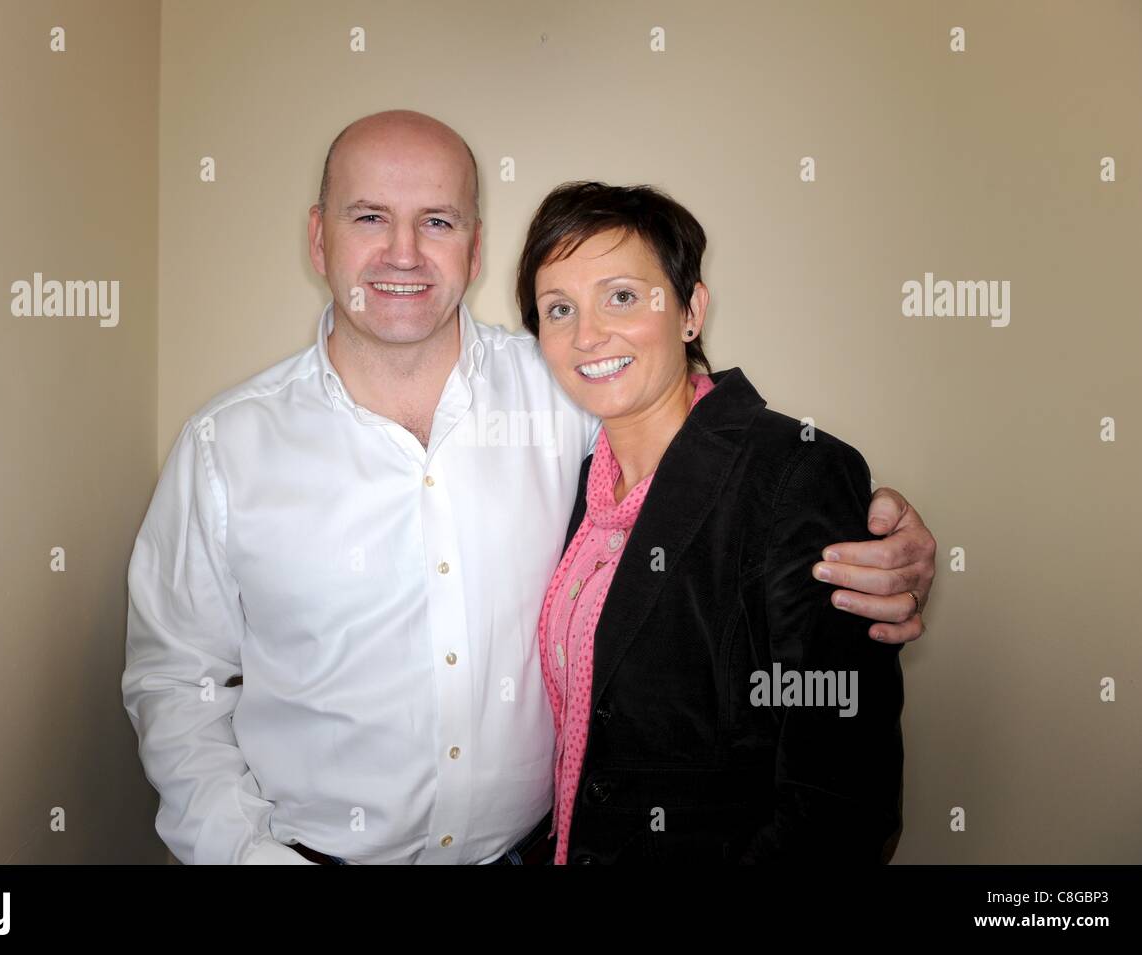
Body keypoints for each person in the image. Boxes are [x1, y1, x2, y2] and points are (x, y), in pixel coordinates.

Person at [121, 110, 935, 865]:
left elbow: (700, 450)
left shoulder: (563, 388)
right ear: (317, 238)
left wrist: (876, 528)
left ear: (473, 250)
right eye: (369, 216)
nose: (403, 252)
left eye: (436, 221)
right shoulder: (224, 447)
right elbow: (173, 682)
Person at [521, 180, 907, 863]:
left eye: (621, 296)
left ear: (690, 309)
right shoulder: (579, 485)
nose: (587, 334)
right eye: (559, 309)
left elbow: (843, 803)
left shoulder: (793, 472)